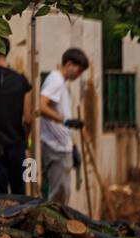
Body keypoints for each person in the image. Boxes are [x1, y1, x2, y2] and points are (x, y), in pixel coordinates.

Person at [38, 48, 89, 207]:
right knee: (58, 200)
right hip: (56, 149)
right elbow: (41, 106)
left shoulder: (59, 82)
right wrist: (65, 121)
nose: (79, 75)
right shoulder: (56, 81)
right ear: (69, 64)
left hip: (62, 147)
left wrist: (72, 144)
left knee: (62, 196)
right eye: (79, 70)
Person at [0, 38, 33, 195]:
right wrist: (25, 139)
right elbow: (28, 119)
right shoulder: (21, 81)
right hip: (16, 144)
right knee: (19, 193)